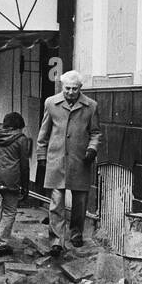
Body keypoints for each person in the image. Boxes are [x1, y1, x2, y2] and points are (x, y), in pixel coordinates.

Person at [36, 71, 101, 256]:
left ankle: (76, 234)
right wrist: (41, 156)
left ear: (80, 88)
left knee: (80, 202)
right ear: (62, 87)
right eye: (67, 88)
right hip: (56, 159)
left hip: (80, 160)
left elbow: (96, 132)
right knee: (56, 203)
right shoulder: (51, 103)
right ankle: (56, 240)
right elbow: (43, 132)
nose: (71, 92)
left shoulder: (91, 106)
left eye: (74, 88)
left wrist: (92, 149)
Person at [0, 111, 32, 257]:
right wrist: (25, 186)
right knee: (10, 210)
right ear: (18, 127)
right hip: (11, 179)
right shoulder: (21, 139)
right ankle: (1, 246)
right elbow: (24, 165)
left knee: (5, 201)